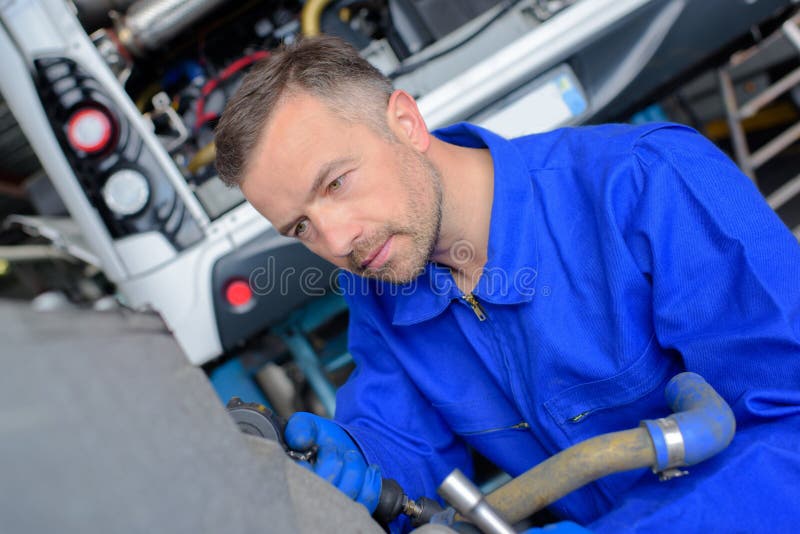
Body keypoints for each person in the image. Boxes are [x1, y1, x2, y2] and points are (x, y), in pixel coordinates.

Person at [214, 35, 800, 532]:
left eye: (336, 183)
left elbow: (789, 425)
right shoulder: (384, 288)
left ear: (406, 123)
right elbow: (404, 443)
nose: (338, 240)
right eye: (301, 227)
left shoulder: (646, 182)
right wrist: (358, 464)